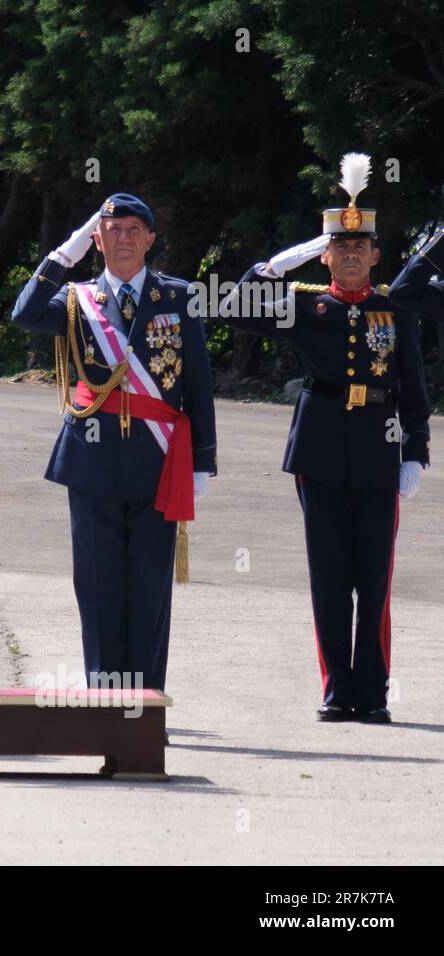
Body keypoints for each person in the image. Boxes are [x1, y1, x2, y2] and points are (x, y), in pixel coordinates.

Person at [222, 154, 430, 724]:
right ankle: (339, 689)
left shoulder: (397, 307)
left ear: (377, 255)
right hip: (318, 448)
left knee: (376, 579)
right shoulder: (304, 304)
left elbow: (414, 386)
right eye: (341, 247)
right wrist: (273, 267)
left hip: (379, 449)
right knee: (330, 575)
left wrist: (416, 450)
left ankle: (374, 692)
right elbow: (233, 307)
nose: (353, 255)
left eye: (362, 247)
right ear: (327, 254)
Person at [9, 193, 217, 702]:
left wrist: (203, 461)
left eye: (132, 228)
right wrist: (63, 256)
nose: (122, 237)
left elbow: (198, 381)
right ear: (96, 241)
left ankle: (145, 706)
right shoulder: (77, 298)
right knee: (100, 589)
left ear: (150, 238)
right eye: (111, 230)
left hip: (158, 459)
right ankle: (106, 702)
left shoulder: (179, 297)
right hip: (92, 462)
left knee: (149, 589)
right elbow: (25, 313)